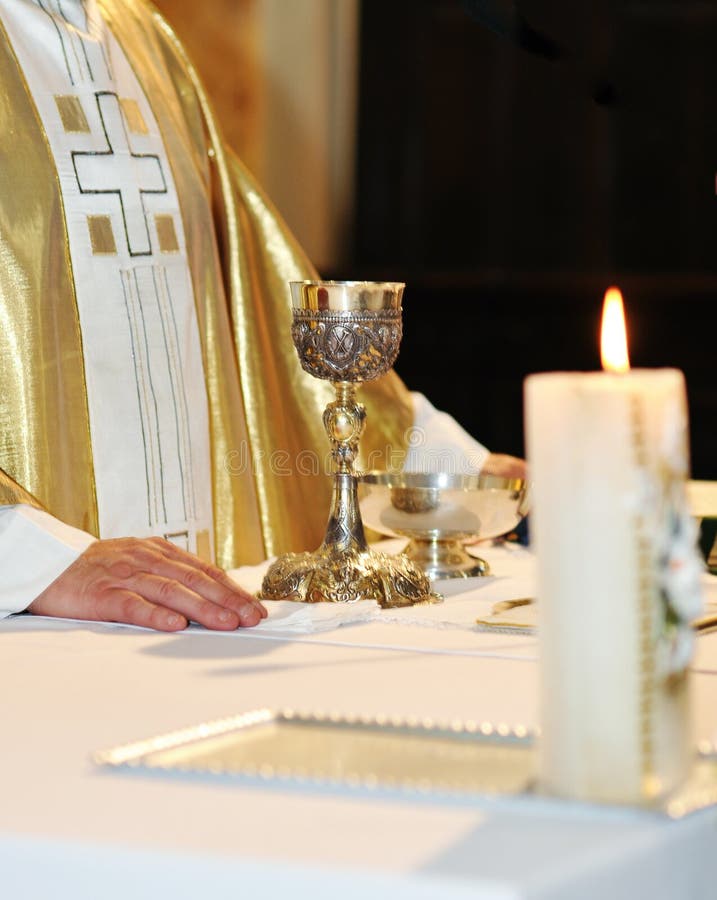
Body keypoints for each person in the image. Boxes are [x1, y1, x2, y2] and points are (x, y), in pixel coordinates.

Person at [0, 0, 523, 632]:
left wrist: (433, 461)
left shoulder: (137, 32)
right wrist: (29, 558)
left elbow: (249, 278)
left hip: (202, 615)